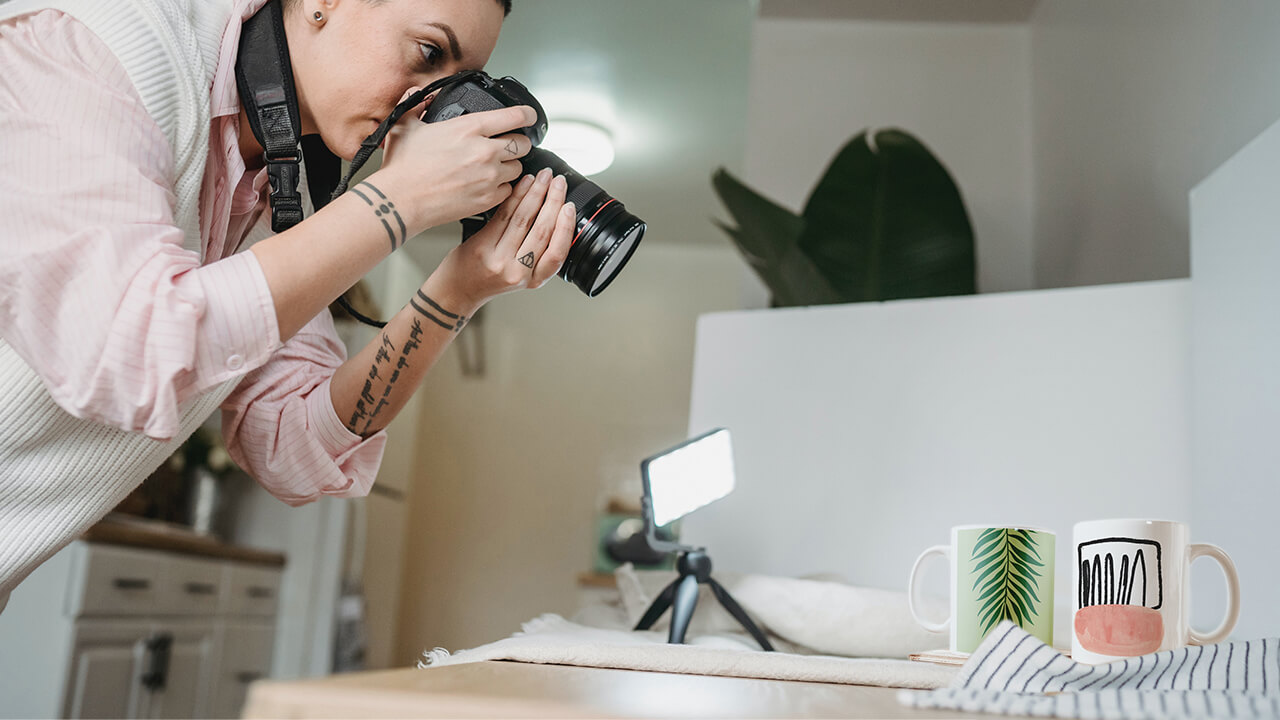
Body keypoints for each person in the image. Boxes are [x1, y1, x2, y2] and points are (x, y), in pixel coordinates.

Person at [0, 0, 572, 609]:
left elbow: (292, 444)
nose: (433, 107)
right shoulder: (99, 40)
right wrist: (398, 199)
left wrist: (457, 290)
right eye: (429, 53)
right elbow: (128, 347)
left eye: (457, 82)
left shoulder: (281, 188)